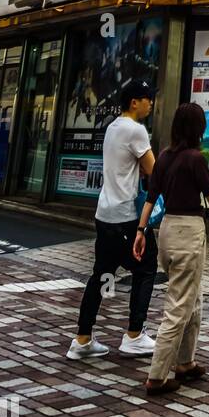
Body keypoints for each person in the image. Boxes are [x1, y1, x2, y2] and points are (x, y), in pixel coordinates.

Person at [134, 102, 209, 397]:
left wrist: (141, 231)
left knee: (193, 299)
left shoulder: (164, 156)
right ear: (198, 129)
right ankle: (156, 376)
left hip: (166, 230)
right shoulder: (196, 159)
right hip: (188, 233)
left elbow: (151, 198)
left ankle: (185, 362)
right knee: (178, 307)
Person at [67, 81, 158, 361]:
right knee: (146, 267)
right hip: (126, 217)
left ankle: (83, 338)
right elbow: (154, 170)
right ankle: (134, 335)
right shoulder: (136, 130)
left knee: (101, 274)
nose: (150, 103)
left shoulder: (113, 127)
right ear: (134, 102)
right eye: (147, 98)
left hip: (104, 214)